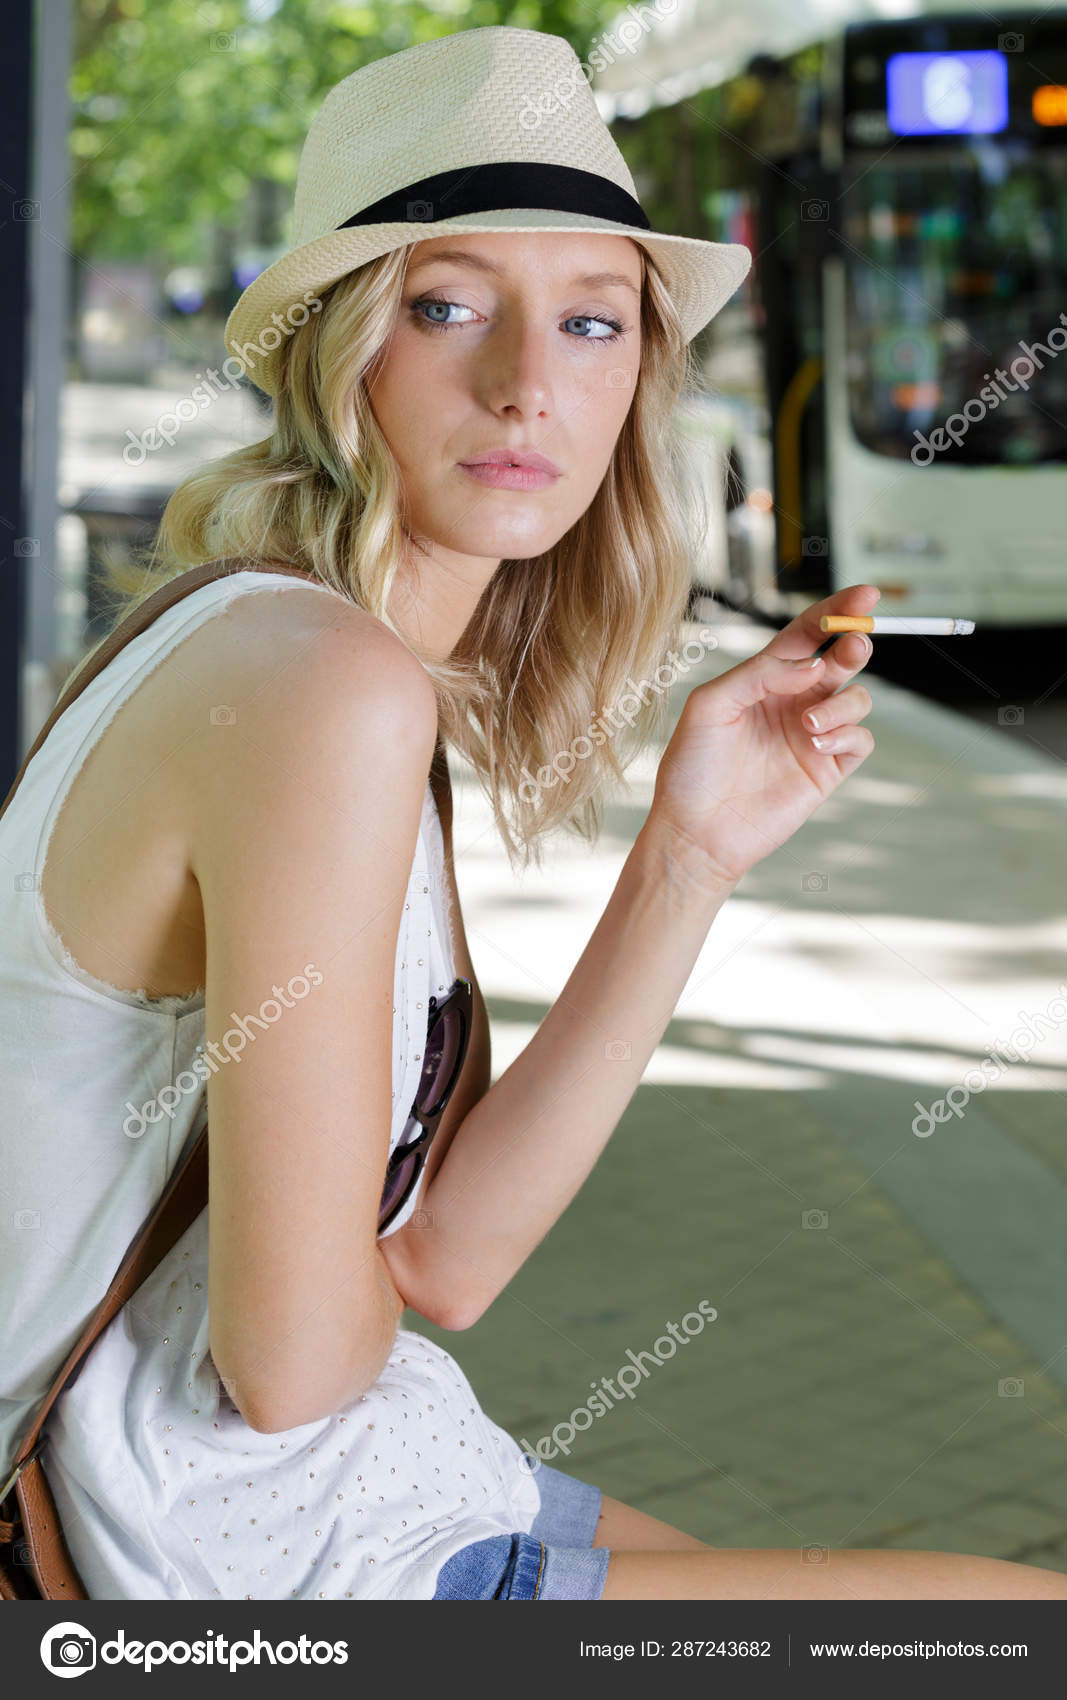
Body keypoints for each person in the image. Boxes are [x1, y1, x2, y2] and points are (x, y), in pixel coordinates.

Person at [3, 25, 1065, 1604]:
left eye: (590, 320)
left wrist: (691, 852)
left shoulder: (298, 648)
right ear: (336, 346)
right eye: (447, 308)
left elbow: (444, 1262)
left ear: (639, 370)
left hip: (345, 1481)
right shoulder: (322, 690)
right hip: (237, 1560)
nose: (524, 385)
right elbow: (292, 1366)